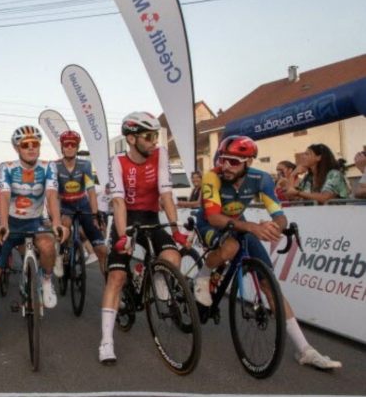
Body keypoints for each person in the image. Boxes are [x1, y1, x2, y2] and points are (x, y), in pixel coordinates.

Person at [193, 135, 342, 370]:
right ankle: (203, 274)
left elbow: (279, 215)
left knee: (269, 285)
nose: (226, 166)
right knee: (230, 247)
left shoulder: (260, 179)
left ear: (248, 162)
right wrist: (252, 227)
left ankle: (305, 350)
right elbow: (213, 217)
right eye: (223, 159)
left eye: (233, 161)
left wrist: (276, 227)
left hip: (239, 223)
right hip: (210, 223)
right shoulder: (213, 176)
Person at [0, 125, 67, 359]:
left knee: (48, 245)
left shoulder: (49, 167)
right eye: (25, 145)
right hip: (10, 224)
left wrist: (56, 222)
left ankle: (46, 279)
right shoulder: (7, 168)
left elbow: (51, 195)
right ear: (17, 148)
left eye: (35, 144)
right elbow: (3, 196)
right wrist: (2, 224)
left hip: (34, 221)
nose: (31, 148)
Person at [99, 112, 190, 364]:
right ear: (131, 139)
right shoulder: (118, 161)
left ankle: (157, 277)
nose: (154, 141)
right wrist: (123, 236)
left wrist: (176, 230)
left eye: (155, 135)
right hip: (126, 219)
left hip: (150, 217)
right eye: (148, 136)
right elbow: (118, 202)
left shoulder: (160, 154)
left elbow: (166, 194)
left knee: (172, 257)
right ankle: (106, 341)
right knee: (117, 277)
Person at [55, 130, 106, 270]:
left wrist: (95, 214)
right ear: (62, 147)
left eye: (73, 144)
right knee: (65, 225)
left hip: (83, 205)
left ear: (77, 147)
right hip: (65, 206)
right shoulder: (55, 166)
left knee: (102, 250)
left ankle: (109, 281)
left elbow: (91, 191)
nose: (69, 147)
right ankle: (60, 254)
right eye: (66, 144)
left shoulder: (85, 165)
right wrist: (56, 215)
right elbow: (53, 194)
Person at [283, 143, 349, 203]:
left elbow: (325, 197)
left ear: (318, 157)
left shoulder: (334, 174)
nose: (303, 157)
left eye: (307, 154)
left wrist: (298, 193)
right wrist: (293, 175)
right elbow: (290, 197)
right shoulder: (309, 177)